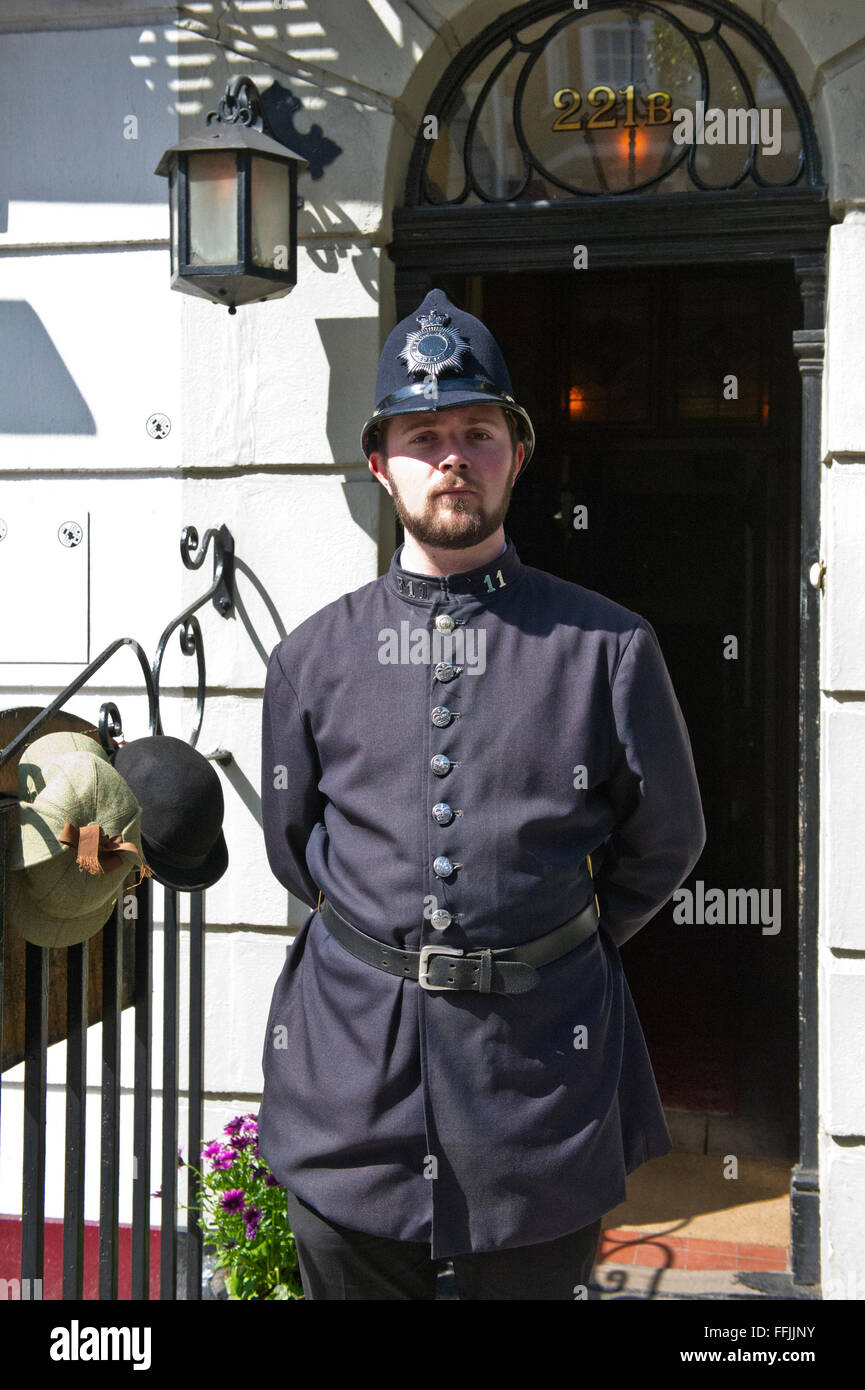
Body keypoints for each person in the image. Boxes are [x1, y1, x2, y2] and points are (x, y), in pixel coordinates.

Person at [258, 288, 706, 1300]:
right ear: (380, 464)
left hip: (536, 1079)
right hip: (350, 1090)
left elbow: (667, 839)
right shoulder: (309, 659)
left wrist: (549, 935)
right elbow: (295, 848)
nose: (450, 454)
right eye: (422, 435)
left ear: (515, 451)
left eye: (476, 430)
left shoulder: (608, 647)